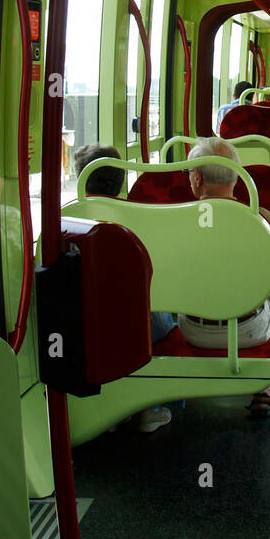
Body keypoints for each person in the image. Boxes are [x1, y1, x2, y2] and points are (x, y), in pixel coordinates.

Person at [177, 137, 270, 418]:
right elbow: (268, 279)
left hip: (191, 330)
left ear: (198, 179)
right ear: (237, 177)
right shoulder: (262, 220)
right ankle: (263, 392)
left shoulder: (175, 223)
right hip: (248, 331)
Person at [73, 142, 175, 432]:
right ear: (122, 179)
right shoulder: (138, 217)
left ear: (81, 176)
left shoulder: (66, 216)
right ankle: (148, 406)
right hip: (137, 326)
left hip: (80, 324)